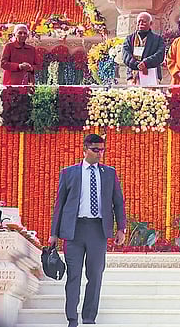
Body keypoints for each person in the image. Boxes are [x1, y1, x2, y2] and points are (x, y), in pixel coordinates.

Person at [48, 133, 127, 327]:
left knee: (95, 274)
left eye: (102, 150)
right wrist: (54, 233)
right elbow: (60, 204)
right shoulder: (69, 173)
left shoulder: (109, 173)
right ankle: (72, 318)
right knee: (73, 275)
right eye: (95, 150)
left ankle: (89, 317)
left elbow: (118, 202)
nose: (100, 154)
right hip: (74, 230)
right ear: (85, 149)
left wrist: (121, 228)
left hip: (97, 230)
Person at [120, 12, 164, 86]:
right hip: (133, 76)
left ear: (151, 23)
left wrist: (146, 63)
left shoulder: (158, 39)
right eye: (139, 21)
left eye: (144, 21)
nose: (141, 23)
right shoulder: (129, 39)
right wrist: (137, 64)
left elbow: (160, 55)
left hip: (151, 75)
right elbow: (125, 55)